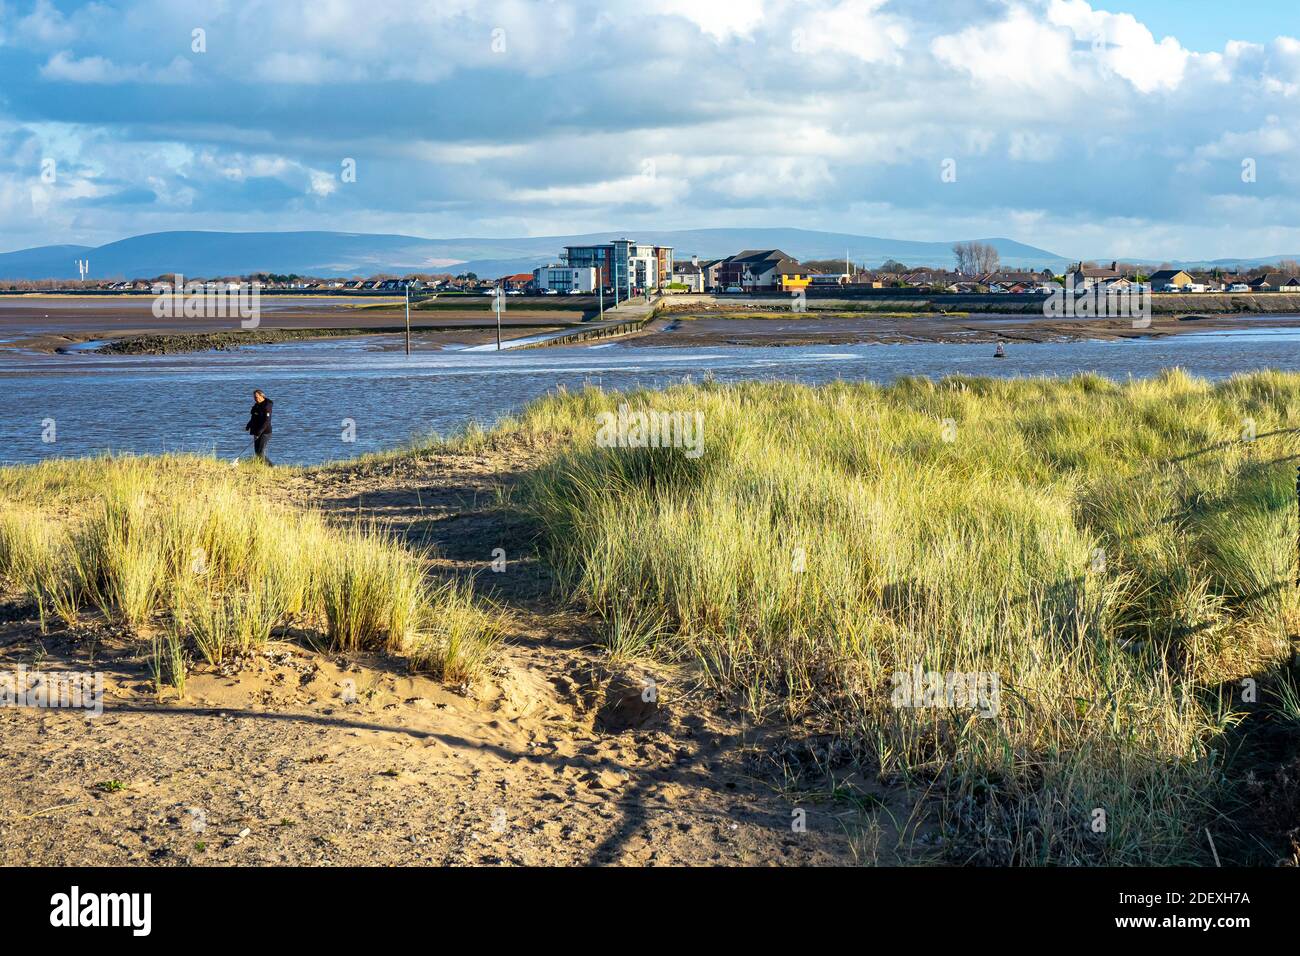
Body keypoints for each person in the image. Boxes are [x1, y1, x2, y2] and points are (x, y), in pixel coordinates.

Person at [245, 389, 273, 465]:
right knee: (257, 453)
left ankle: (272, 467)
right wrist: (249, 425)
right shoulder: (257, 405)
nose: (255, 399)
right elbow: (254, 417)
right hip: (256, 431)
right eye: (254, 397)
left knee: (260, 452)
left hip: (265, 432)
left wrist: (259, 432)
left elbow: (266, 421)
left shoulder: (267, 406)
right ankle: (262, 467)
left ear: (262, 396)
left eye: (256, 397)